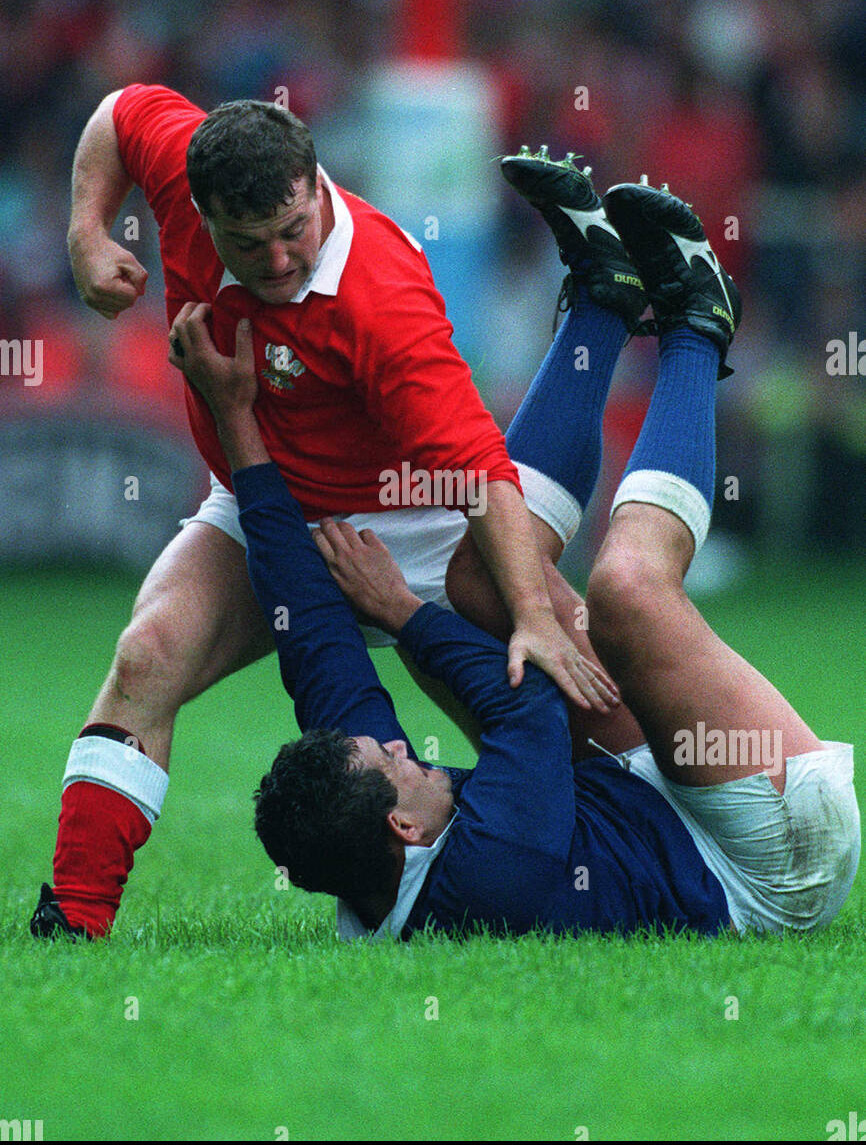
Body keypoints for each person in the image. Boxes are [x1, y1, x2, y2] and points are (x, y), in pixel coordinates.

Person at [33, 167, 860, 941]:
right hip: (771, 861)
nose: (402, 745)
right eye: (393, 761)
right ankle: (697, 325)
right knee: (623, 595)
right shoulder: (491, 872)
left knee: (473, 579)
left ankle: (604, 298)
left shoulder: (366, 823)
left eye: (381, 744)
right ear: (404, 828)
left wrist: (237, 417)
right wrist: (398, 611)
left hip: (636, 802)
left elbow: (307, 618)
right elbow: (528, 708)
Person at [34, 92, 629, 939]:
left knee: (589, 723)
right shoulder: (186, 159)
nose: (277, 258)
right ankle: (73, 921)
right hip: (259, 502)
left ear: (315, 184)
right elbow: (117, 115)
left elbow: (481, 474)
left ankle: (705, 856)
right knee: (148, 653)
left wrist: (532, 613)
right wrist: (87, 232)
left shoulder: (378, 296)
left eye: (294, 229)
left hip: (420, 525)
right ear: (202, 214)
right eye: (250, 243)